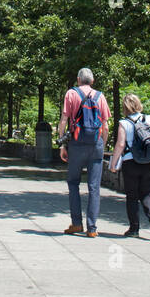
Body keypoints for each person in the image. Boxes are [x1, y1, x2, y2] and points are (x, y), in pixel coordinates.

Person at [58, 68, 111, 237]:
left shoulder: (71, 94)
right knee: (94, 187)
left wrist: (62, 145)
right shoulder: (100, 96)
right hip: (95, 144)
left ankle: (76, 223)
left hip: (76, 144)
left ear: (78, 79)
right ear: (92, 81)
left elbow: (64, 120)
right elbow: (106, 125)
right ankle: (92, 228)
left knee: (73, 183)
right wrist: (102, 143)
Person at [109, 94, 150, 238]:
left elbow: (120, 144)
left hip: (130, 162)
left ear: (125, 107)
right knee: (147, 193)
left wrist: (113, 164)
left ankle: (134, 229)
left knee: (132, 196)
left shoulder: (124, 123)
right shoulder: (148, 119)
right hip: (148, 162)